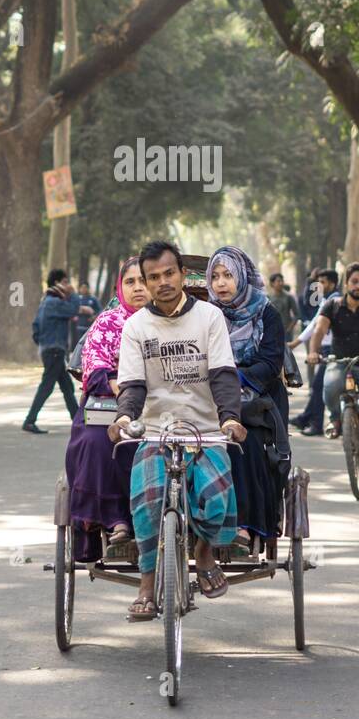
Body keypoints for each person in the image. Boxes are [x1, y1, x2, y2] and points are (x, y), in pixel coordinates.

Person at [108, 240, 245, 619]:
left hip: (206, 430)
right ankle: (147, 584)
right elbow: (132, 384)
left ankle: (204, 553)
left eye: (169, 273)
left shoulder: (209, 317)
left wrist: (229, 418)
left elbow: (223, 374)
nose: (163, 282)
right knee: (148, 501)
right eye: (153, 277)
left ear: (183, 274)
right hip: (157, 431)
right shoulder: (136, 326)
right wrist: (124, 419)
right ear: (146, 282)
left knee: (215, 495)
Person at [64, 258, 150, 559]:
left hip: (160, 405)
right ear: (120, 287)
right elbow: (95, 367)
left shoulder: (169, 322)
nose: (138, 288)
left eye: (144, 280)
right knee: (97, 441)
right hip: (109, 403)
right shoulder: (107, 322)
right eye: (130, 282)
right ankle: (115, 520)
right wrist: (121, 387)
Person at [207, 246, 288, 552]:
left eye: (228, 275)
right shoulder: (205, 314)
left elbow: (270, 362)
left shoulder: (267, 313)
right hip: (209, 396)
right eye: (215, 276)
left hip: (257, 401)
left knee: (243, 443)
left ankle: (242, 525)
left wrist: (233, 378)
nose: (220, 283)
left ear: (243, 277)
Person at [306, 261, 359, 472]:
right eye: (354, 281)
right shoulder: (332, 306)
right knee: (330, 387)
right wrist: (313, 352)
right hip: (339, 362)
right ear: (346, 283)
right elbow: (319, 329)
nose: (358, 286)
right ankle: (336, 418)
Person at [22, 269, 93, 434]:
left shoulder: (45, 301)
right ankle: (29, 421)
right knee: (47, 386)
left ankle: (78, 422)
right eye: (66, 282)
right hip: (54, 350)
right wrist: (73, 294)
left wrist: (43, 343)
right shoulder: (53, 302)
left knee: (67, 387)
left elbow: (35, 328)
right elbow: (73, 309)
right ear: (57, 284)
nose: (68, 285)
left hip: (52, 349)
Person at [289, 269, 340, 435]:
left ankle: (316, 424)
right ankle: (306, 418)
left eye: (323, 282)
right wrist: (296, 343)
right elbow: (313, 323)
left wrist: (295, 343)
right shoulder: (326, 300)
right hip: (326, 349)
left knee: (319, 386)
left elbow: (316, 325)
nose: (319, 286)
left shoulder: (335, 301)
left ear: (332, 284)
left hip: (334, 350)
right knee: (320, 386)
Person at [267, 272, 299, 338]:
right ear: (272, 283)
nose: (281, 283)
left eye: (282, 281)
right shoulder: (268, 298)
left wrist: (290, 328)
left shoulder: (289, 297)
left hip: (286, 332)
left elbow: (297, 314)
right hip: (272, 331)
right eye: (278, 281)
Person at [72, 282, 102, 348]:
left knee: (88, 344)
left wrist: (94, 316)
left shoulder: (93, 299)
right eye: (82, 288)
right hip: (79, 326)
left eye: (85, 287)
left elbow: (100, 311)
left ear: (88, 288)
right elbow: (72, 310)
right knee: (79, 345)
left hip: (89, 327)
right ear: (79, 289)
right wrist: (75, 316)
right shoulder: (77, 299)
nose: (84, 289)